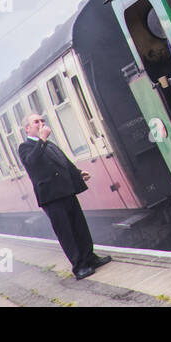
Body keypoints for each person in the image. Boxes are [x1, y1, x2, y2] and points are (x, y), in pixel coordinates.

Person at [18, 114, 111, 279]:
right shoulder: (25, 147)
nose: (41, 124)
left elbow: (63, 162)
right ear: (27, 128)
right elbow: (32, 161)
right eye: (36, 122)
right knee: (66, 232)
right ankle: (79, 266)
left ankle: (90, 257)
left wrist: (77, 173)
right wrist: (42, 140)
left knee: (80, 226)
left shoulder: (49, 144)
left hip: (66, 190)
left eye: (42, 121)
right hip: (51, 197)